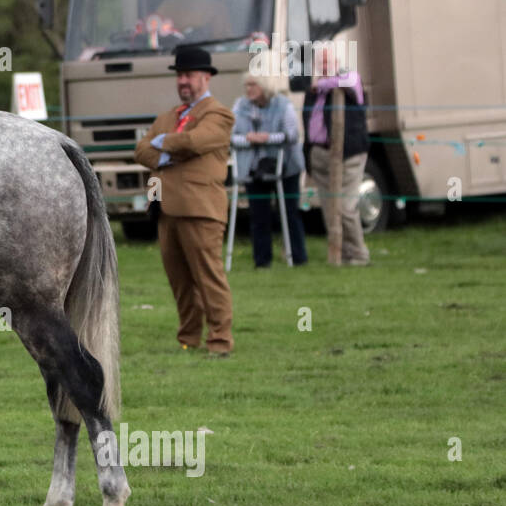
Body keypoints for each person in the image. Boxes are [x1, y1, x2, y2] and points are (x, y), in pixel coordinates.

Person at [133, 46, 236, 357]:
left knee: (208, 278)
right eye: (179, 75)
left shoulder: (219, 114)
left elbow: (195, 141)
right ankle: (189, 338)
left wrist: (161, 144)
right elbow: (140, 151)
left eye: (189, 75)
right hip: (165, 209)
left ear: (206, 77)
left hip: (200, 209)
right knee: (179, 281)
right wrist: (166, 150)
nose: (183, 81)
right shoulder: (170, 116)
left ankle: (219, 341)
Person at [303, 49, 370, 266]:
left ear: (337, 62)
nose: (323, 66)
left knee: (344, 207)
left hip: (348, 154)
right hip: (320, 155)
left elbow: (350, 81)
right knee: (329, 207)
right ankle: (340, 254)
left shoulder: (349, 79)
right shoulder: (312, 91)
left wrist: (322, 84)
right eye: (320, 63)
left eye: (327, 62)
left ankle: (359, 253)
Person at [232, 77, 308, 268]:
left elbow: (292, 135)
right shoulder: (240, 106)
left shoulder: (283, 105)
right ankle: (262, 261)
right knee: (259, 215)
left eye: (253, 85)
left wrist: (267, 138)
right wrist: (249, 139)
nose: (248, 89)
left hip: (286, 166)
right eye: (246, 85)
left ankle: (298, 258)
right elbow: (231, 137)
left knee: (290, 212)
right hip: (254, 166)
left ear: (265, 86)